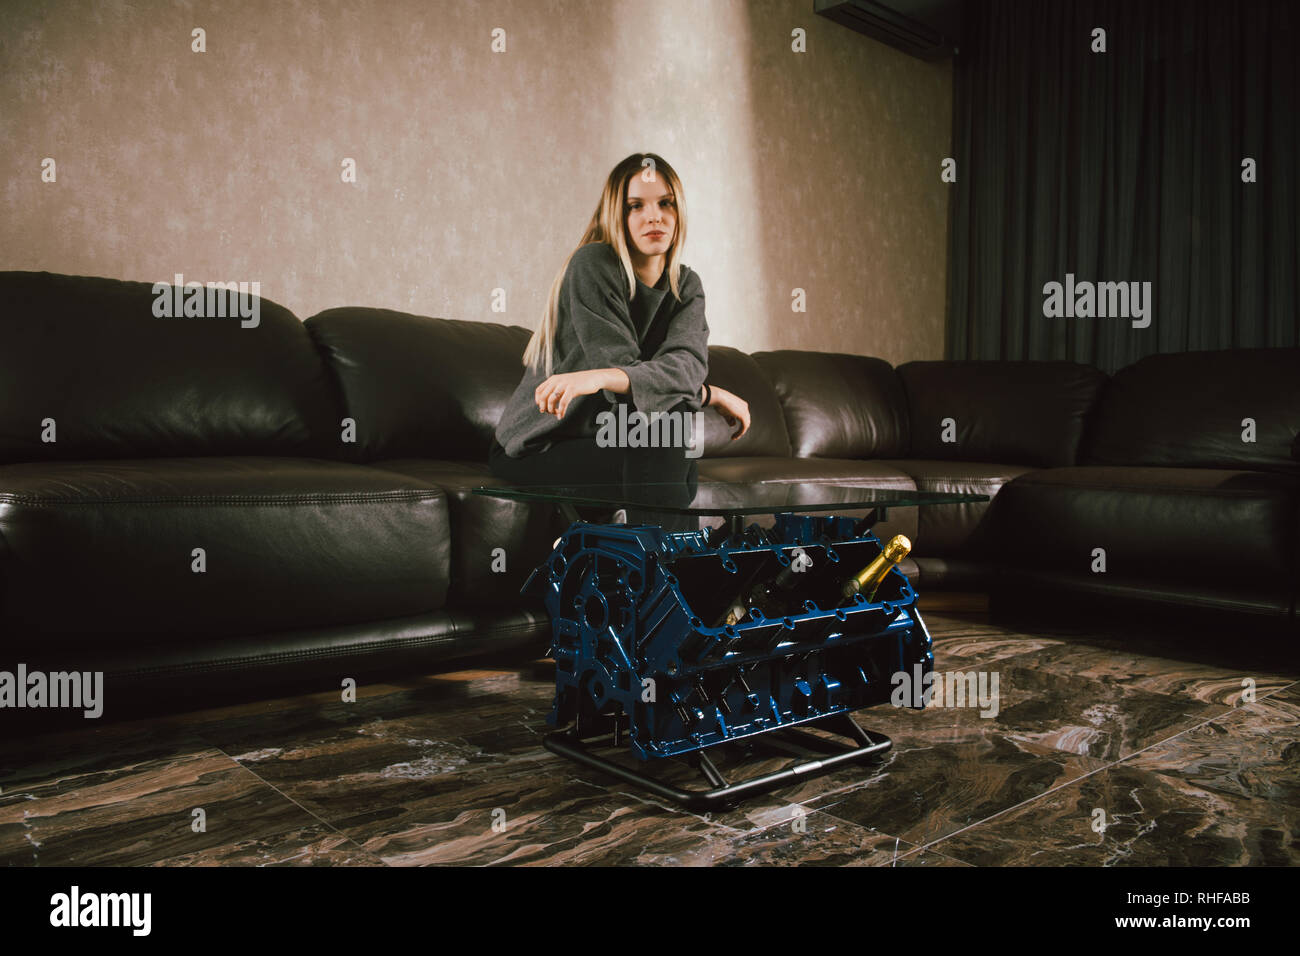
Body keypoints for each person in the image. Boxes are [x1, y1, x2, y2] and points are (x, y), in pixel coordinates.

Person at [489, 152, 751, 533]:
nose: (654, 216)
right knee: (668, 445)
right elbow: (626, 377)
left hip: (615, 435)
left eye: (665, 203)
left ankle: (629, 555)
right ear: (618, 216)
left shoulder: (686, 286)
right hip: (540, 445)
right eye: (636, 206)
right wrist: (708, 395)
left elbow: (686, 367)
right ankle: (665, 573)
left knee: (675, 453)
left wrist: (600, 378)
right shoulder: (593, 264)